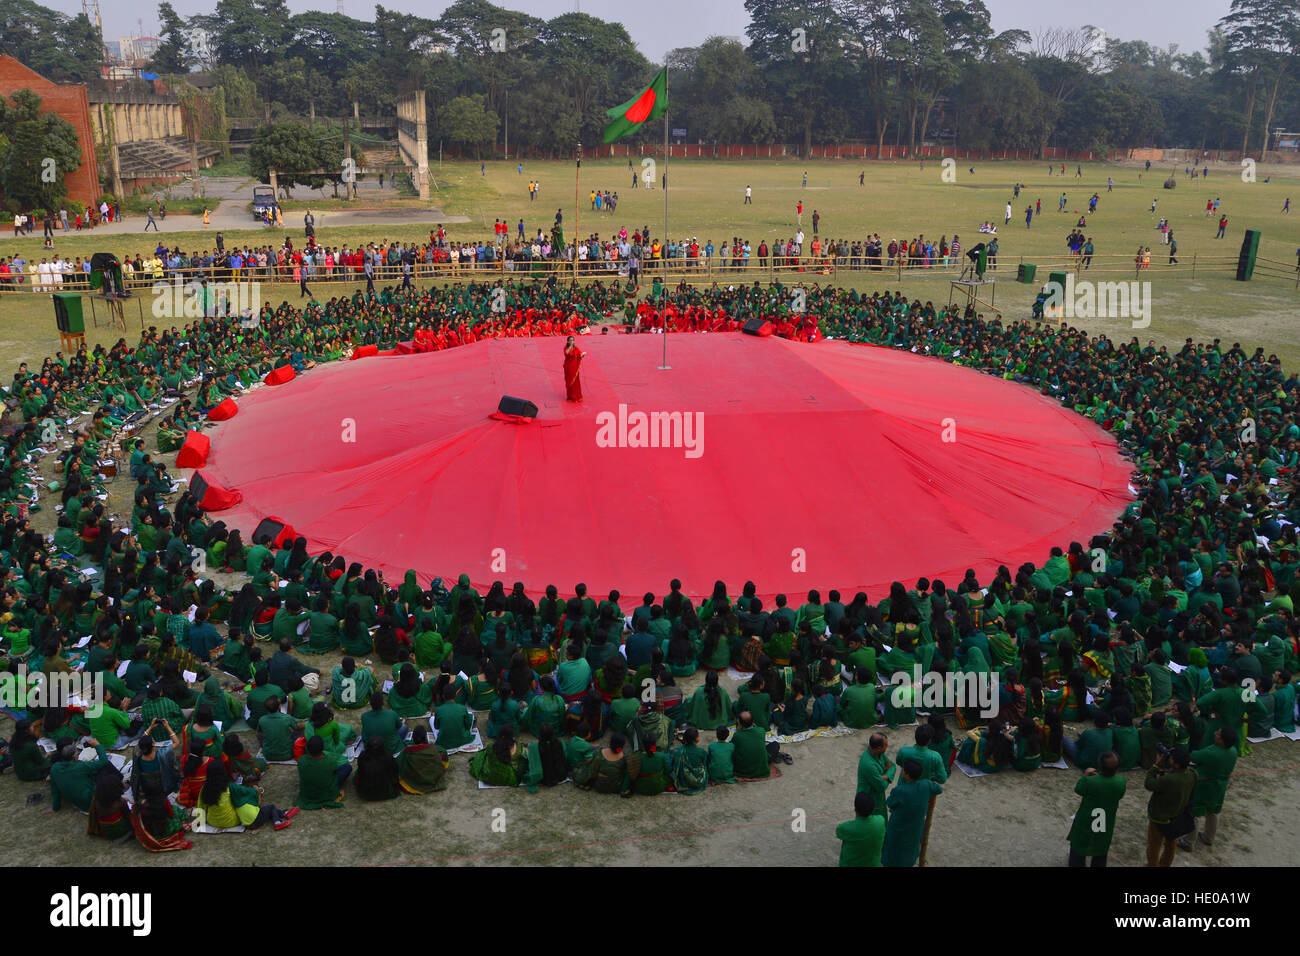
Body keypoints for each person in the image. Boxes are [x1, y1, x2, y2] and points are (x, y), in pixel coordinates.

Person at [1181, 726, 1238, 852]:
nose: (1215, 734)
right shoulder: (1233, 751)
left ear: (1222, 740)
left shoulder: (1212, 752)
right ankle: (1208, 837)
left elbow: (1194, 756)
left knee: (1194, 813)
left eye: (1217, 734)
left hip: (1205, 787)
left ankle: (1188, 841)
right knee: (1214, 811)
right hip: (1220, 787)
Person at [1066, 751, 1126, 867]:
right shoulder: (1120, 782)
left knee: (1079, 845)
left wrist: (1086, 775)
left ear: (1100, 766)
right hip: (1104, 820)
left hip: (1087, 819)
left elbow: (1079, 789)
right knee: (1101, 845)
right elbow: (1118, 793)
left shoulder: (1090, 781)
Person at [882, 758, 942, 867]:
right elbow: (938, 789)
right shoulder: (926, 784)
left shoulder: (900, 790)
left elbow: (890, 803)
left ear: (907, 774)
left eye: (903, 770)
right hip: (915, 828)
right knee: (909, 851)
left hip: (898, 829)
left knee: (893, 853)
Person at [1144, 745, 1197, 866]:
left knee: (1154, 844)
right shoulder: (1192, 774)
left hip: (1160, 817)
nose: (1169, 759)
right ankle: (1165, 864)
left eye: (1171, 758)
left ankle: (1152, 864)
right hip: (1177, 815)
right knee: (1171, 842)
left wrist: (1156, 765)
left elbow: (1149, 784)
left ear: (1177, 764)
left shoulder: (1169, 780)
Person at [835, 791, 885, 867]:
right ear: (872, 808)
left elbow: (838, 832)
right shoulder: (881, 820)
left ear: (855, 809)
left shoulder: (847, 828)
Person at [562, 335, 584, 402]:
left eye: (573, 340)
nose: (572, 341)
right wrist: (571, 346)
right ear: (568, 341)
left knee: (576, 382)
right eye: (570, 340)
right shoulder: (566, 348)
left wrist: (582, 355)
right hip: (569, 367)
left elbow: (579, 354)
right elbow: (567, 353)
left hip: (575, 367)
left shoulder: (576, 348)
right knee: (570, 381)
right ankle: (571, 396)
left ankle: (577, 396)